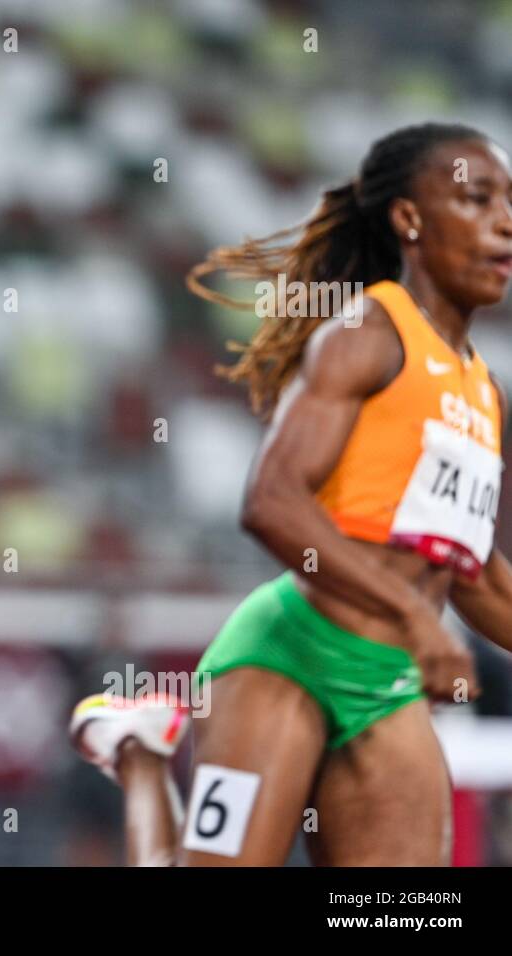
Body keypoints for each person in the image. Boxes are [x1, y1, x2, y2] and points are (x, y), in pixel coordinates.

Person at [72, 122, 512, 866]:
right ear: (410, 219)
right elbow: (271, 500)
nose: (506, 221)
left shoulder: (482, 389)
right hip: (290, 654)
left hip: (388, 683)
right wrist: (412, 613)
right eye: (478, 200)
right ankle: (142, 757)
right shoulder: (367, 330)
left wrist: (423, 623)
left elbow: (471, 568)